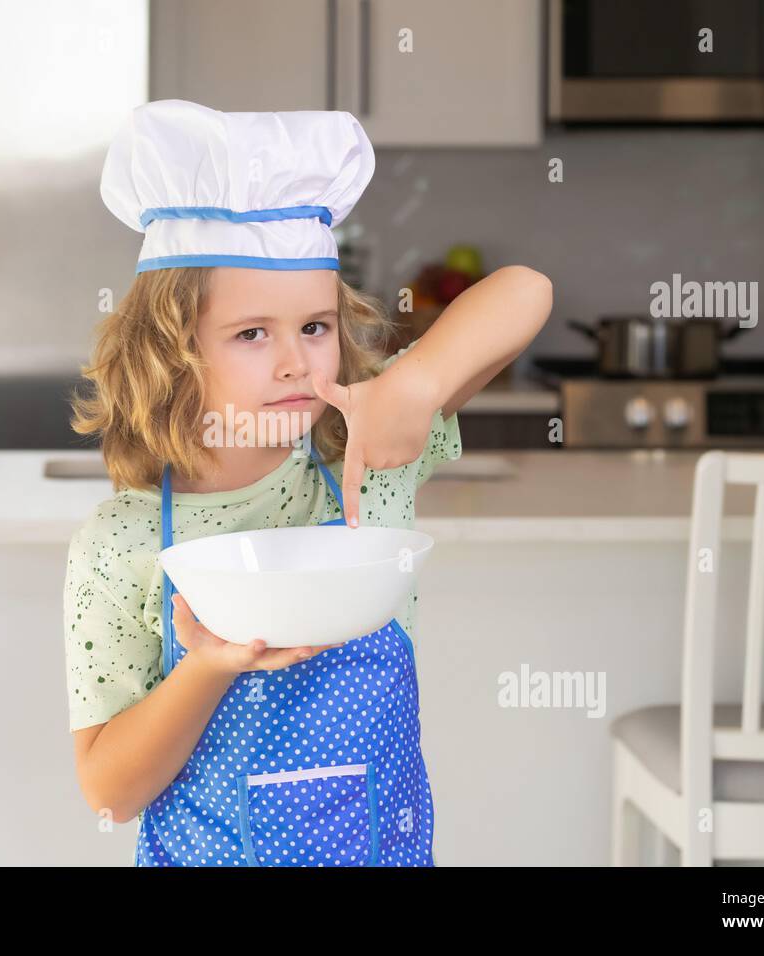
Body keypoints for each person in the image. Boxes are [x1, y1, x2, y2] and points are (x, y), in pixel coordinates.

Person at [64, 99, 552, 866]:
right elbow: (109, 793)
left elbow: (527, 292)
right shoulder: (121, 544)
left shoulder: (367, 453)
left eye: (315, 327)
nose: (295, 360)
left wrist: (415, 386)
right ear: (170, 350)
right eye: (252, 333)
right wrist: (210, 666)